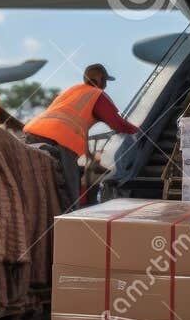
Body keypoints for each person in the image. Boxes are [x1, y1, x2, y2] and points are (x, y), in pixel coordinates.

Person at [24, 64, 139, 210]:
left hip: (32, 132)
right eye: (105, 80)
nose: (105, 85)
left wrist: (89, 156)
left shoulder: (71, 91)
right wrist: (140, 131)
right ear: (100, 79)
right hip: (59, 138)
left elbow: (72, 123)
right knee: (69, 184)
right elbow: (117, 123)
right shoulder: (96, 95)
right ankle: (70, 216)